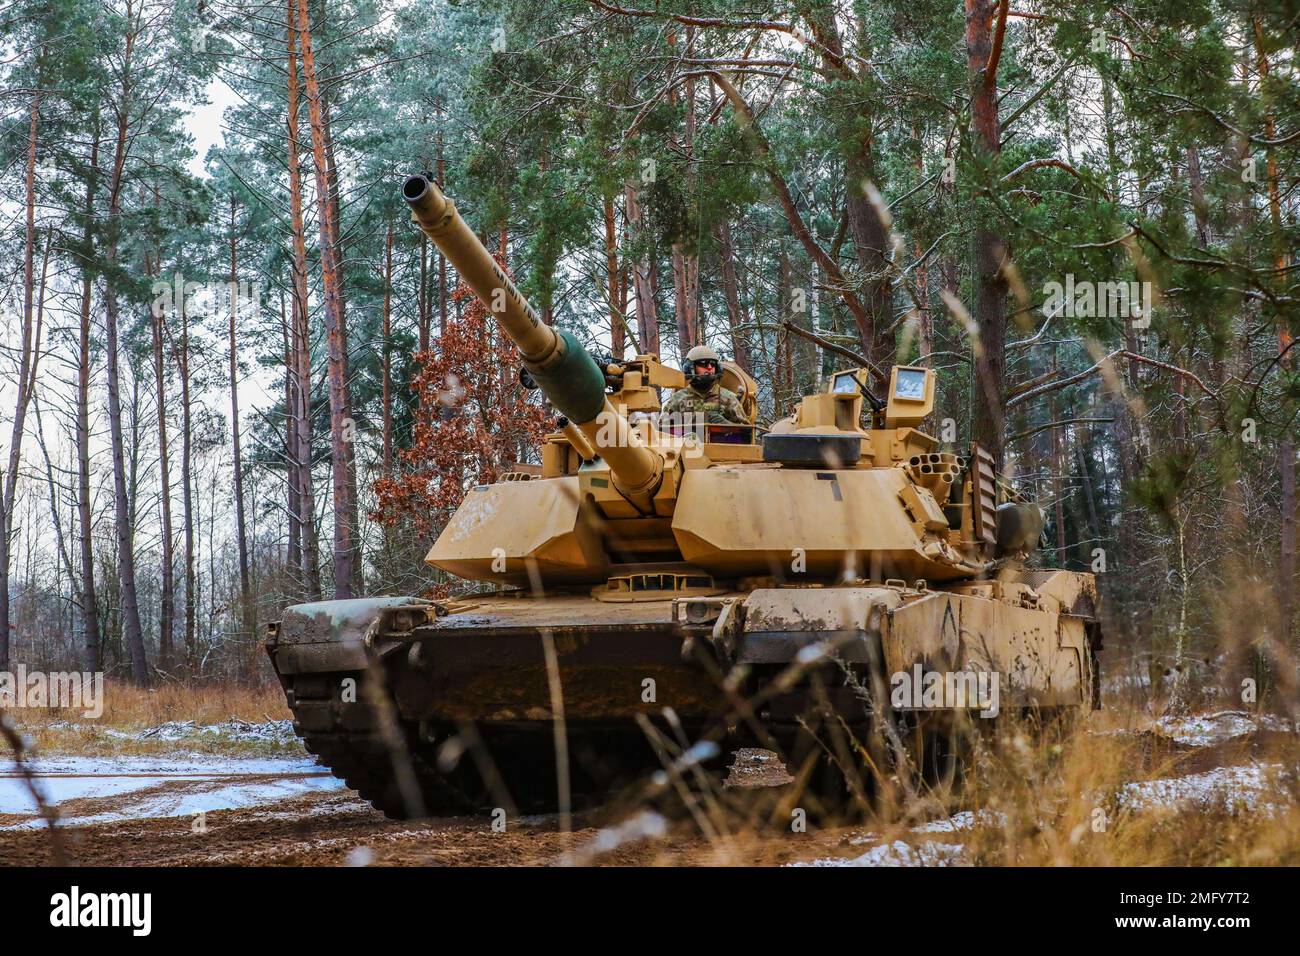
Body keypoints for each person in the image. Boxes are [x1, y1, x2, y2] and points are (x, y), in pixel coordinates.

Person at [662, 344, 747, 425]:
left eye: (713, 364)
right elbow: (662, 430)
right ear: (690, 367)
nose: (710, 367)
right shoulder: (678, 398)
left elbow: (747, 433)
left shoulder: (728, 397)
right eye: (703, 363)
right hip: (686, 439)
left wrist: (726, 426)